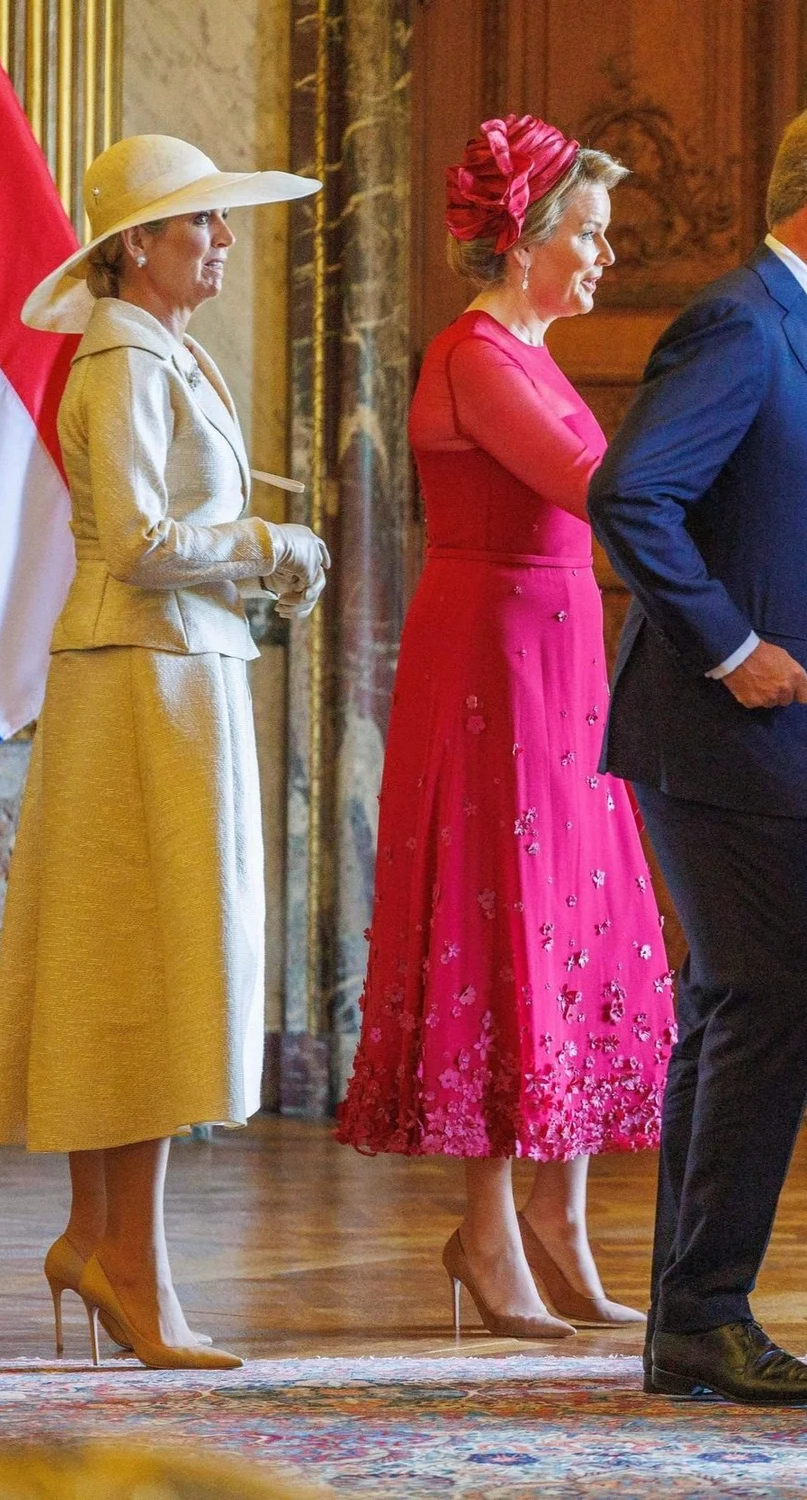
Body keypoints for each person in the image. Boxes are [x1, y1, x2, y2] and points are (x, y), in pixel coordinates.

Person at [0, 134, 327, 1371]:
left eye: (222, 225)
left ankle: (100, 1241)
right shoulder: (123, 357)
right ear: (135, 247)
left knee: (143, 967)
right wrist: (272, 548)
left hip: (174, 679)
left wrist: (256, 561)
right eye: (200, 226)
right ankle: (125, 1262)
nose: (221, 242)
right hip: (141, 680)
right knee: (147, 967)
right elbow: (133, 539)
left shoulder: (163, 350)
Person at [336, 115, 675, 1340]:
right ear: (526, 238)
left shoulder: (526, 348)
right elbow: (599, 491)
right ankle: (486, 1232)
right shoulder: (478, 354)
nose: (601, 258)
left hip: (557, 657)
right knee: (503, 916)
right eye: (584, 233)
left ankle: (557, 1227)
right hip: (489, 663)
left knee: (573, 919)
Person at [588, 111, 807, 1404]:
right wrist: (732, 647)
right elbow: (633, 491)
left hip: (769, 741)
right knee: (766, 1001)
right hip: (719, 733)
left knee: (745, 1005)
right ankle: (705, 1313)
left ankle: (692, 1314)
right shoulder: (740, 321)